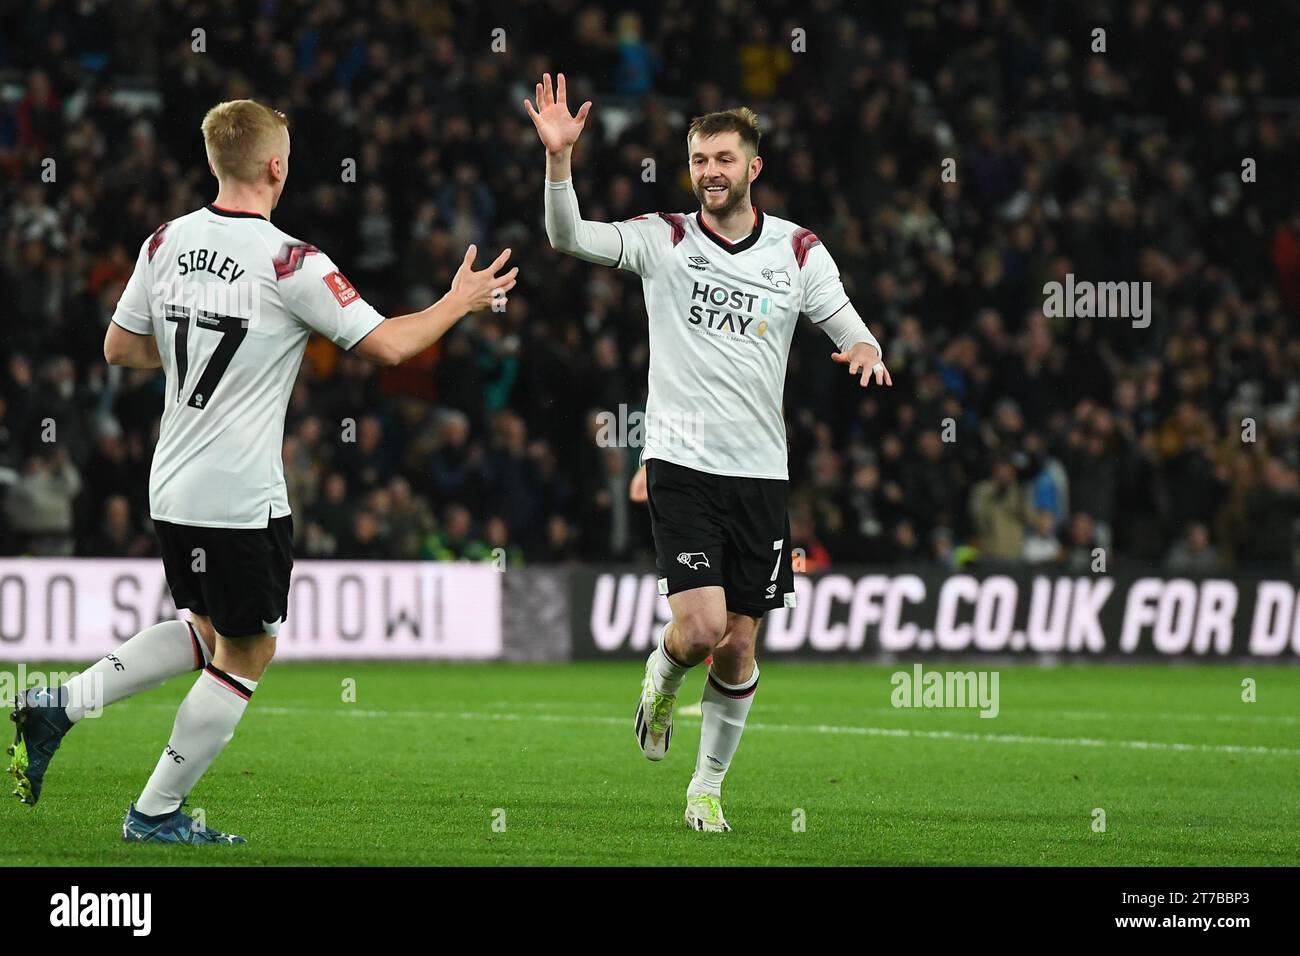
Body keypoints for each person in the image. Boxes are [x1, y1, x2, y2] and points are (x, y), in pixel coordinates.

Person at [7, 99, 516, 844]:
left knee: (206, 627)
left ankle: (57, 705)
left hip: (171, 485)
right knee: (247, 652)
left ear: (214, 161)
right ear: (277, 165)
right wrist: (459, 299)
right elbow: (390, 348)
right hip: (240, 495)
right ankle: (155, 812)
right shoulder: (292, 262)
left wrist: (195, 358)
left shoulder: (164, 240)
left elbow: (120, 348)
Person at [526, 73, 892, 832]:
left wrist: (862, 348)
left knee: (738, 647)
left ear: (753, 166)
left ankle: (706, 788)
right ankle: (660, 680)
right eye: (698, 160)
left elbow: (850, 324)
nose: (710, 172)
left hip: (760, 473)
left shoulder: (797, 249)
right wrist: (560, 161)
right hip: (682, 462)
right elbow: (569, 237)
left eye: (723, 158)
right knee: (699, 631)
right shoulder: (664, 238)